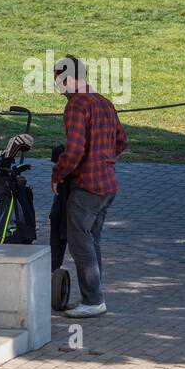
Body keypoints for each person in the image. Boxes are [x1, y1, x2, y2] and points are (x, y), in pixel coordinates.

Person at [50, 56, 127, 319]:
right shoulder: (104, 102)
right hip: (108, 185)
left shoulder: (77, 105)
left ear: (69, 79)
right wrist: (103, 159)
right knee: (92, 242)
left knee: (79, 241)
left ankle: (93, 300)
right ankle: (93, 296)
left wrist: (58, 174)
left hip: (88, 187)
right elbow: (121, 140)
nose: (58, 89)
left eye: (59, 82)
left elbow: (73, 151)